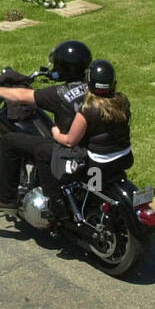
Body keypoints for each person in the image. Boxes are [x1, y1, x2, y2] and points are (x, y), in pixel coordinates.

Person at [0, 40, 92, 212]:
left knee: (9, 142)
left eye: (58, 65)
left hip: (67, 149)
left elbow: (22, 95)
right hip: (89, 146)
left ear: (65, 68)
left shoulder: (58, 95)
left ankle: (6, 199)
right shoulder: (94, 89)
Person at [47, 59, 134, 218]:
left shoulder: (87, 110)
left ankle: (69, 206)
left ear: (89, 83)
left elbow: (70, 141)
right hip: (125, 157)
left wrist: (55, 132)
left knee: (61, 160)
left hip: (98, 165)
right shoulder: (123, 101)